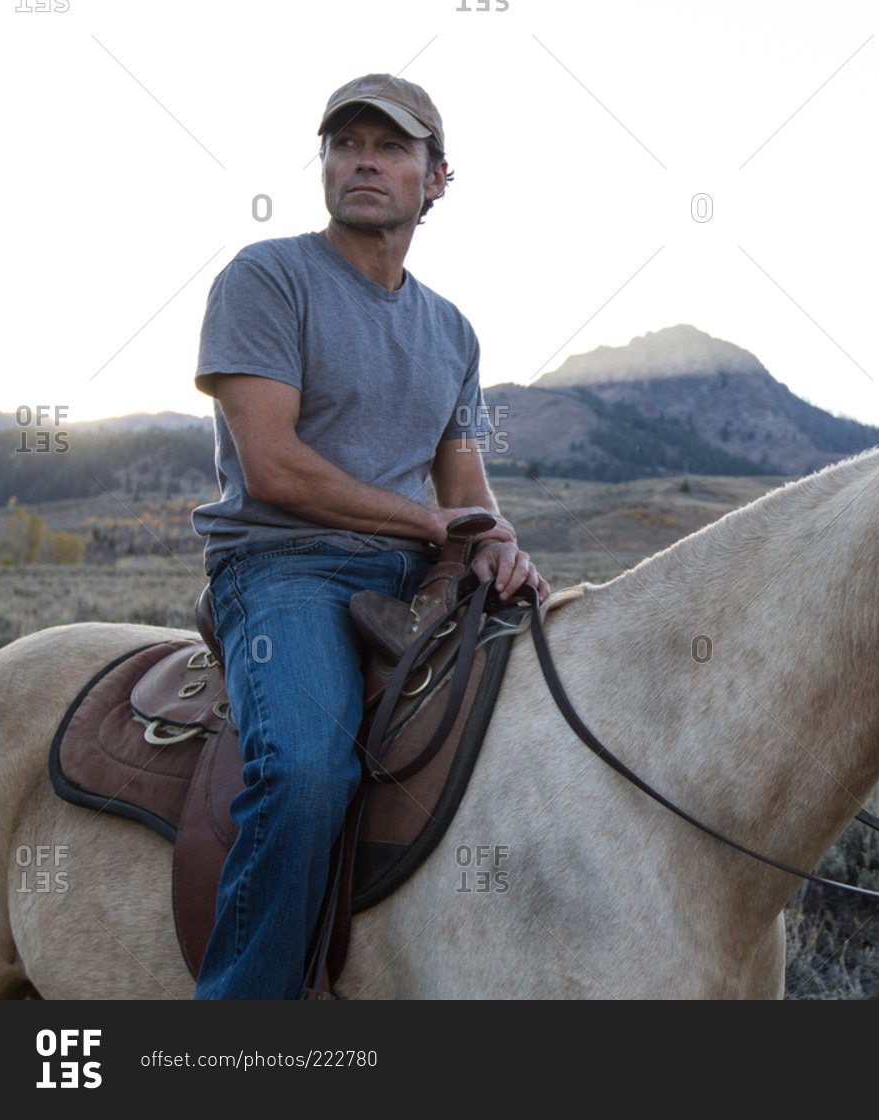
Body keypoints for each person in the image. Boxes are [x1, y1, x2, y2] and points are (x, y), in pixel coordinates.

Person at [189, 73, 548, 999]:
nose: (364, 161)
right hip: (281, 567)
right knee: (306, 767)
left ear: (435, 181)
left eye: (390, 148)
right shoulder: (266, 278)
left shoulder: (451, 330)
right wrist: (432, 523)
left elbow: (463, 482)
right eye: (345, 144)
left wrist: (493, 539)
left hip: (412, 576)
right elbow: (271, 465)